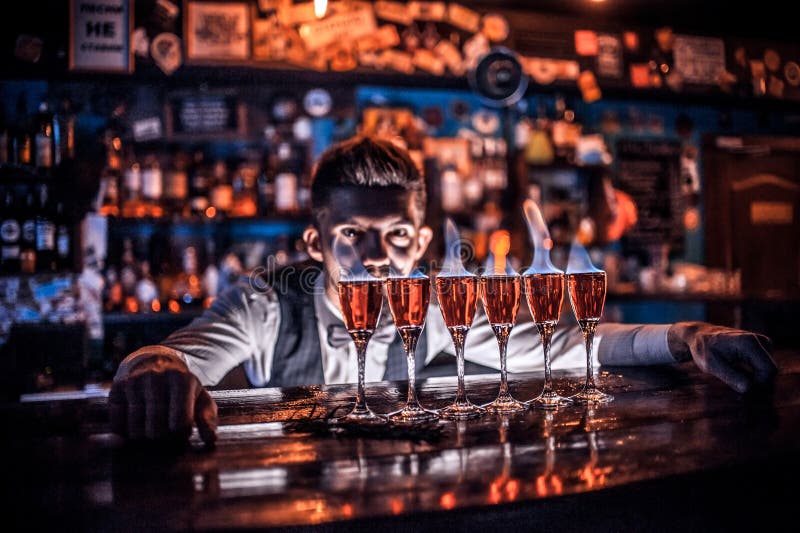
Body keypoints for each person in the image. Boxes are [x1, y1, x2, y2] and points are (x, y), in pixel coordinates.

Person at [109, 135, 777, 447]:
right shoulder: (267, 297)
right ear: (313, 243)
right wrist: (151, 368)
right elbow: (173, 355)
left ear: (423, 242)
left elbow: (562, 346)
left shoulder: (433, 302)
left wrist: (689, 336)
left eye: (398, 232)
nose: (376, 254)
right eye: (350, 232)